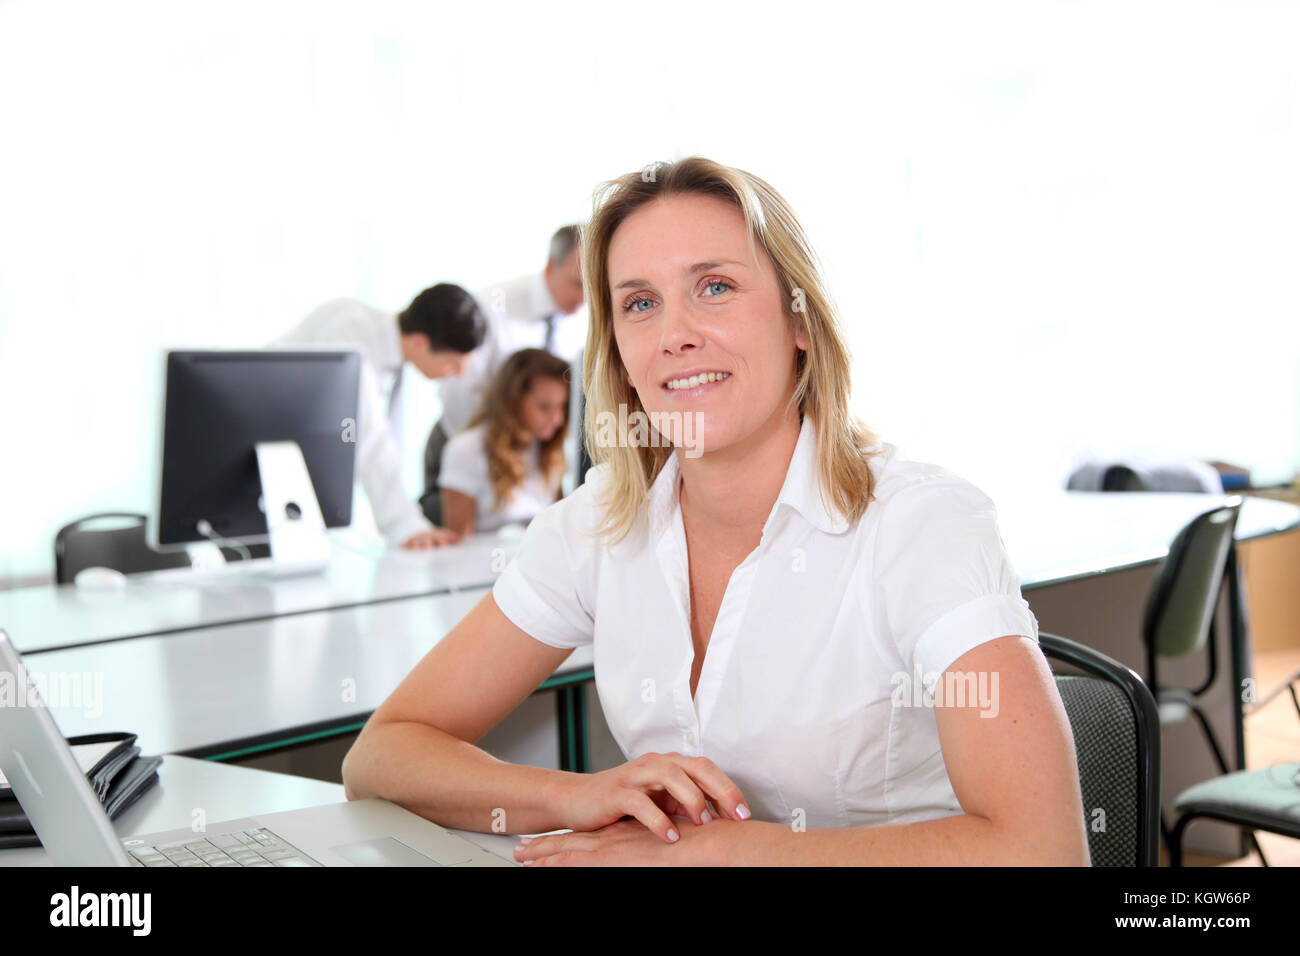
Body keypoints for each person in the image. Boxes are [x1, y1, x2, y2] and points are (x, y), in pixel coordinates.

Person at [342, 158, 1090, 865]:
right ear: (621, 357)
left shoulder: (922, 526)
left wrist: (728, 852)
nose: (675, 335)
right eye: (640, 303)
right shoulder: (599, 524)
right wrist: (577, 794)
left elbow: (1046, 849)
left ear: (801, 322)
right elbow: (384, 753)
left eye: (716, 287)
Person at [274, 284, 487, 550]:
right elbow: (367, 436)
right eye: (454, 363)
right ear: (419, 342)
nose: (460, 374)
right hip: (264, 478)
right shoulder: (350, 331)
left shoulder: (390, 354)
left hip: (297, 483)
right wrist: (405, 526)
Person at [419, 226, 586, 523]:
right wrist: (490, 455)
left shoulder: (579, 316)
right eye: (577, 284)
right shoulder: (493, 308)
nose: (584, 298)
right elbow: (457, 394)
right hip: (466, 438)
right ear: (551, 266)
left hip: (531, 447)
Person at [438, 348, 570, 536]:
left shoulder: (550, 451)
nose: (557, 419)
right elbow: (459, 541)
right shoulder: (466, 449)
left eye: (562, 406)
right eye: (544, 407)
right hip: (487, 562)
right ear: (513, 401)